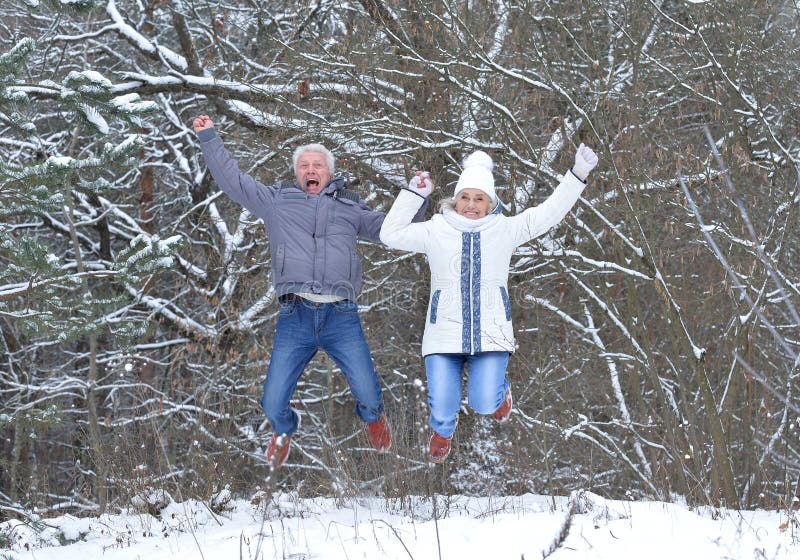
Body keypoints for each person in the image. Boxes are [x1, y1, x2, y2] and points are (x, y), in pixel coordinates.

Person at [193, 115, 424, 467]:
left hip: (340, 315)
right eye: (304, 165)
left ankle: (373, 416)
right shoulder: (276, 202)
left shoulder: (351, 208)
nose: (310, 169)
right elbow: (233, 182)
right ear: (297, 173)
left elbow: (393, 231)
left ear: (329, 174)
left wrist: (417, 198)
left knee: (367, 389)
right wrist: (209, 137)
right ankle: (285, 427)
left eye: (318, 165)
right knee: (271, 402)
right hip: (295, 315)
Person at [380, 145, 598, 463]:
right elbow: (390, 233)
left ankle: (499, 390)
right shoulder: (436, 229)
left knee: (483, 402)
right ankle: (442, 431)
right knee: (442, 404)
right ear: (455, 199)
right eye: (465, 197)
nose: (471, 205)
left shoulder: (504, 230)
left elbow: (549, 213)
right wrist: (414, 195)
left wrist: (577, 175)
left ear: (490, 202)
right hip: (443, 336)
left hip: (491, 335)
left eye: (479, 198)